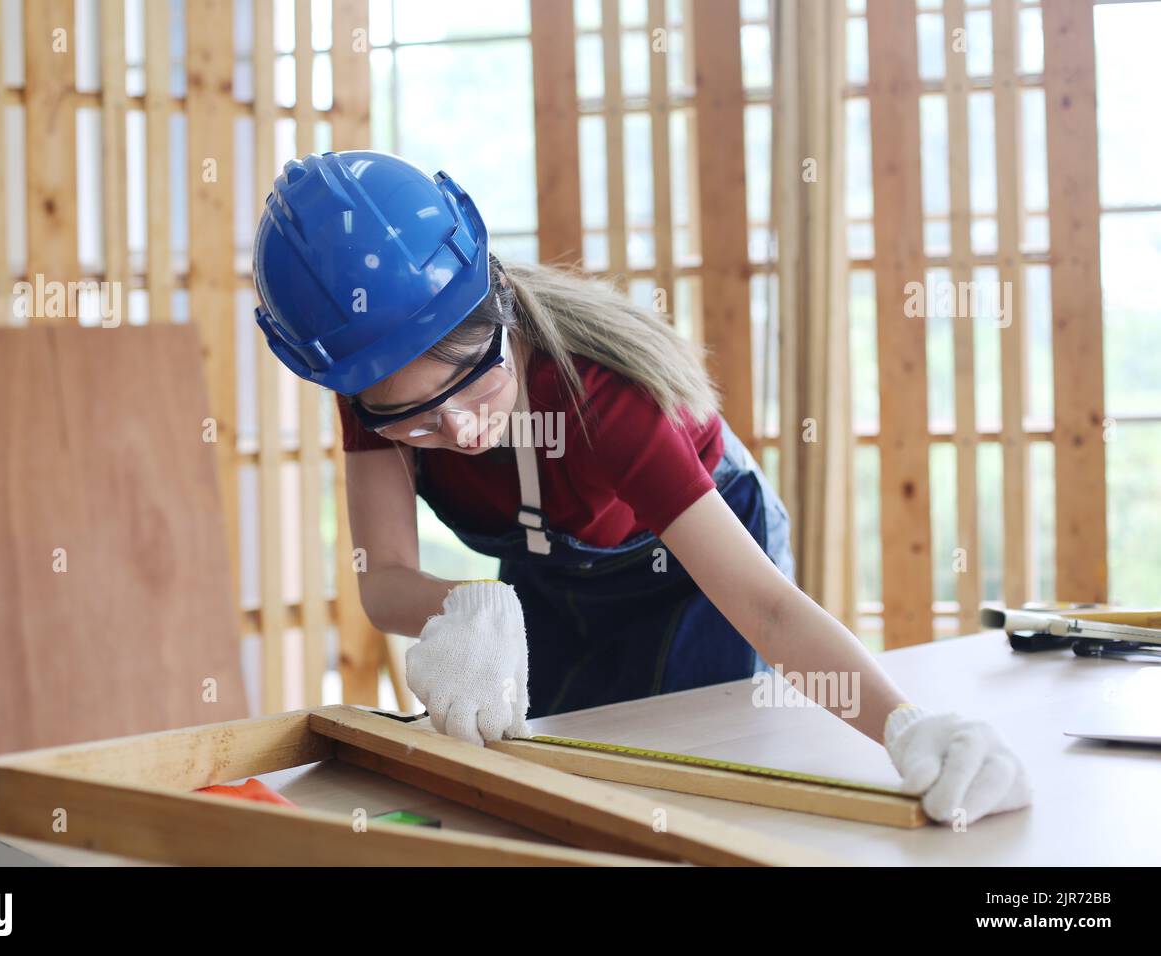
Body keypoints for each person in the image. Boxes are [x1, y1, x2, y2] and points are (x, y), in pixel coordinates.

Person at [253, 150, 1031, 824]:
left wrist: (907, 727)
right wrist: (462, 605)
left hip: (687, 573)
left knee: (684, 790)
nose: (457, 432)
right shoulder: (375, 390)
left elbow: (765, 606)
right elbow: (382, 582)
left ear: (497, 310)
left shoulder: (602, 397)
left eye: (473, 388)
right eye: (414, 422)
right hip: (549, 572)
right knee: (547, 785)